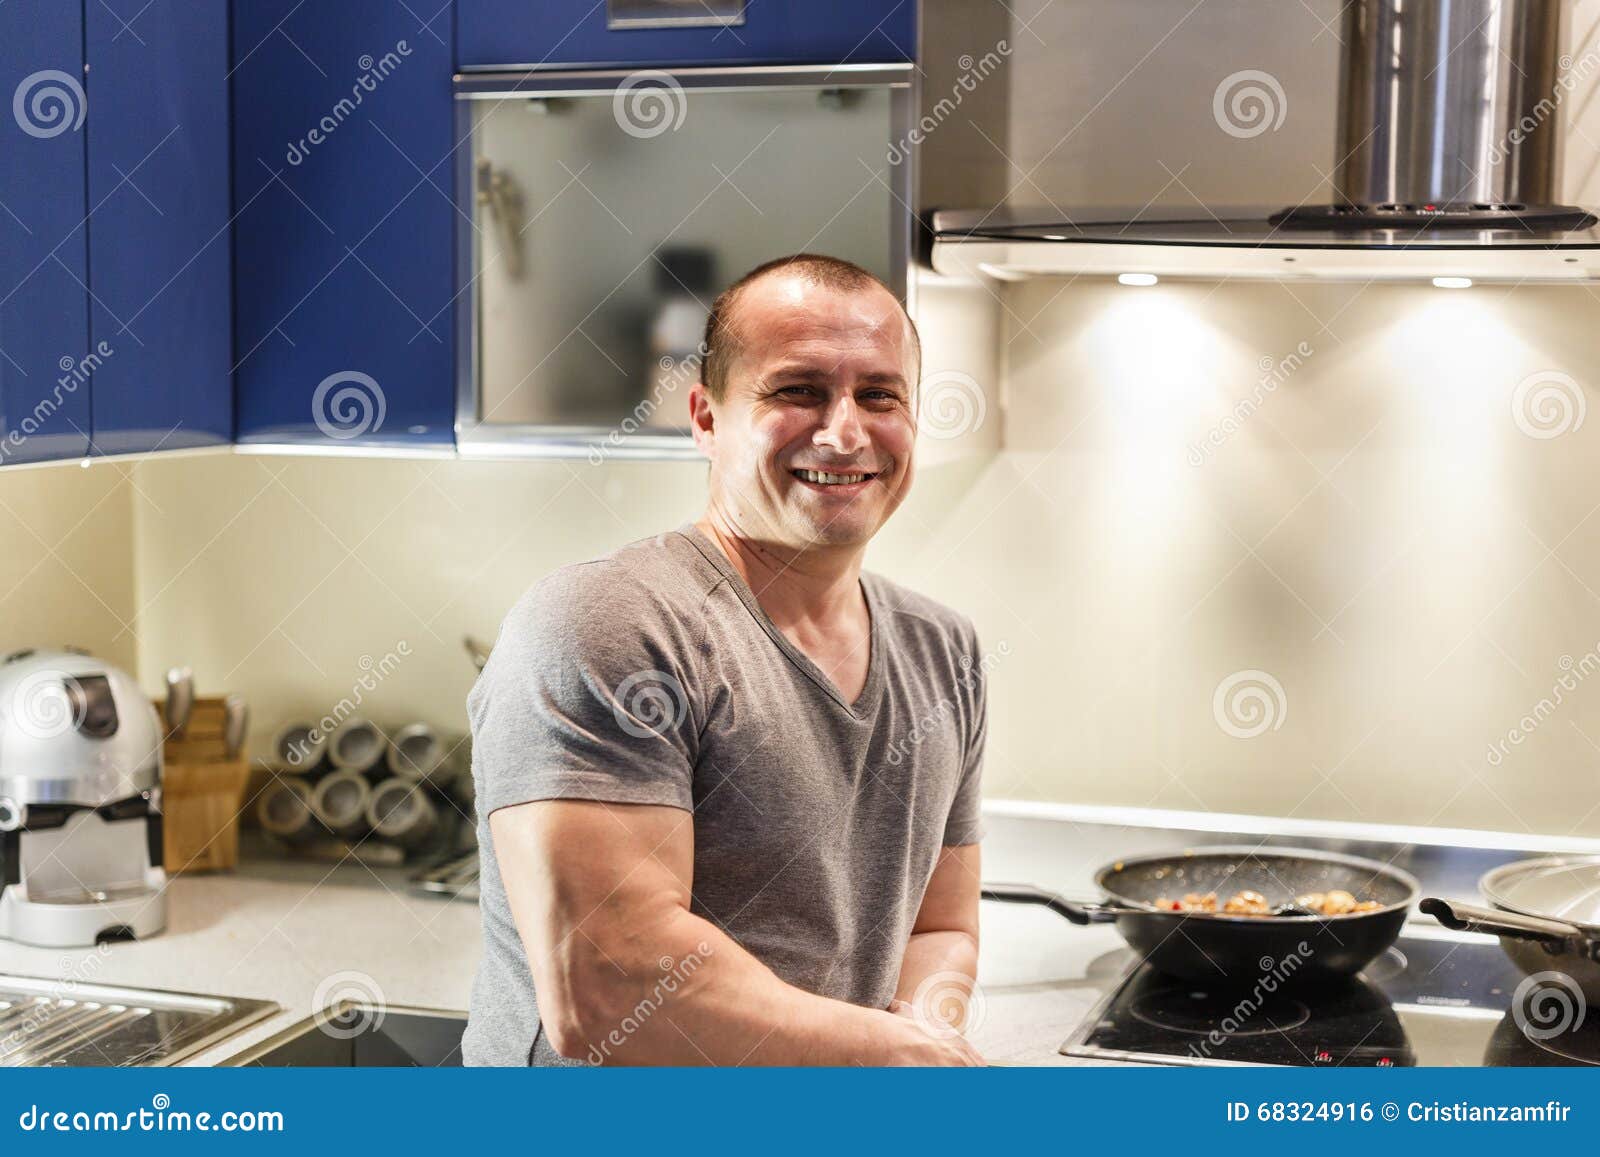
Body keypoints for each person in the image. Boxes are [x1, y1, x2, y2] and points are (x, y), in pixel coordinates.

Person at [464, 253, 987, 1065]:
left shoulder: (944, 651)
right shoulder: (609, 625)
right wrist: (891, 1058)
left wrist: (923, 1036)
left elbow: (940, 924)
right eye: (798, 389)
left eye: (879, 394)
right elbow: (609, 987)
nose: (846, 430)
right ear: (705, 418)